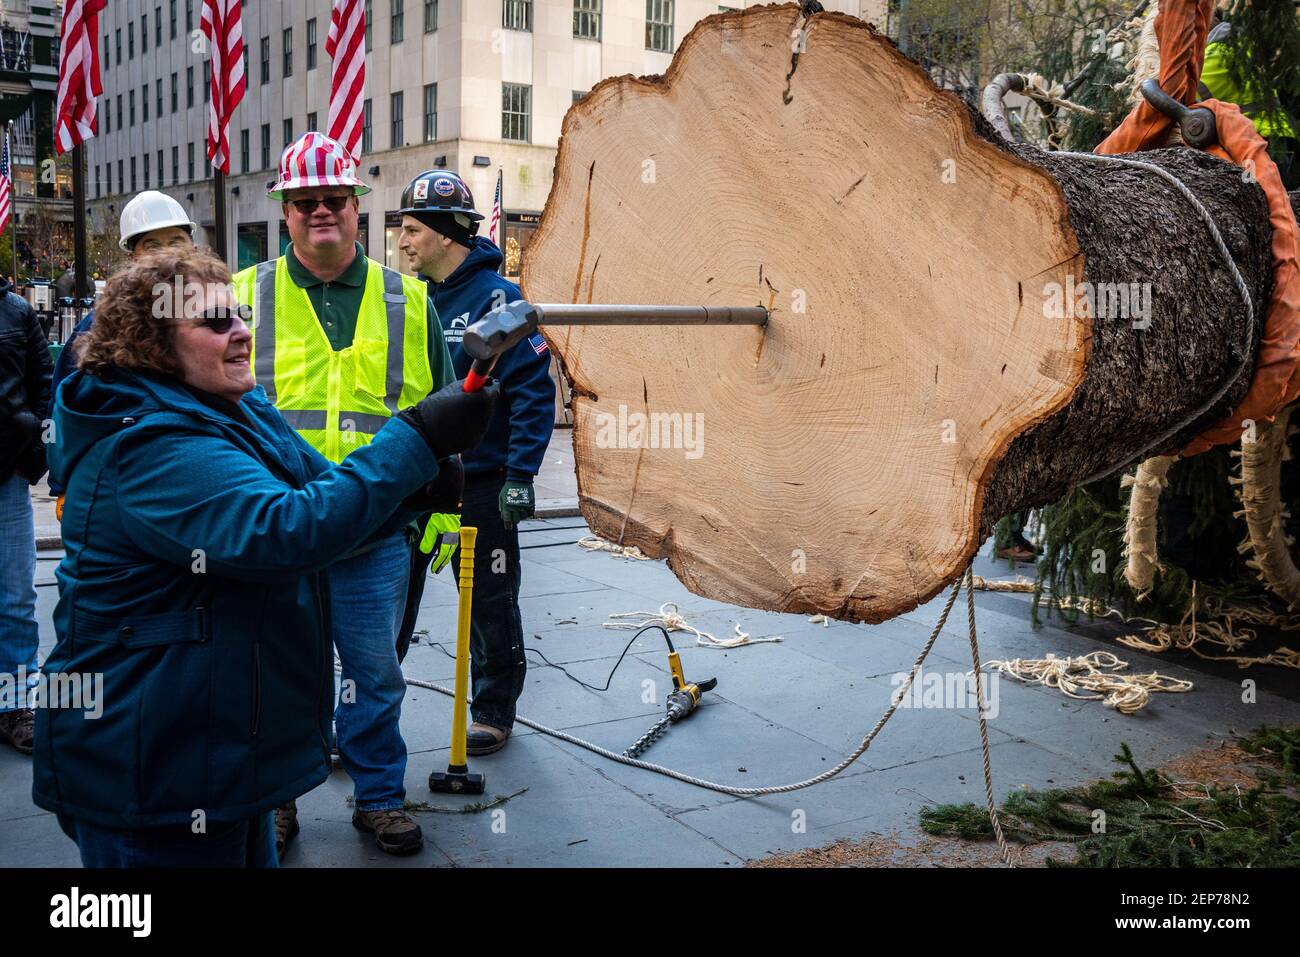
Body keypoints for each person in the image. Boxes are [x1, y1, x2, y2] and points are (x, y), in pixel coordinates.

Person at [33, 247, 497, 867]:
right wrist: (415, 437)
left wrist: (414, 488)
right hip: (154, 770)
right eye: (214, 321)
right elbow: (285, 531)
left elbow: (320, 500)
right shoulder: (146, 443)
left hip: (221, 756)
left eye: (240, 314)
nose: (242, 332)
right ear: (151, 345)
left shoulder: (234, 406)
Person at [231, 133, 457, 855]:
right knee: (272, 672)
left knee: (373, 672)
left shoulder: (409, 301)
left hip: (375, 531)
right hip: (279, 529)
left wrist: (442, 510)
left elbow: (449, 409)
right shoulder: (242, 297)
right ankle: (276, 799)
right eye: (306, 201)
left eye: (335, 198)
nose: (321, 210)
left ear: (358, 209)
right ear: (286, 212)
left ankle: (379, 796)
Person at [397, 169, 555, 756]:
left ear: (444, 235)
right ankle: (364, 711)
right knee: (394, 594)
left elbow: (535, 393)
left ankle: (493, 710)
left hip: (483, 482)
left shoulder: (501, 300)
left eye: (412, 230)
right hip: (415, 475)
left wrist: (520, 475)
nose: (403, 242)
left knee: (488, 597)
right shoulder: (407, 298)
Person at [48, 191, 197, 519]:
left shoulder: (215, 314)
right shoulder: (102, 324)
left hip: (196, 474)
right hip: (125, 477)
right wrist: (63, 483)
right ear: (133, 256)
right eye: (152, 245)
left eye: (176, 240)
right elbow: (68, 404)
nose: (167, 253)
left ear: (194, 248)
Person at [0, 273, 51, 754]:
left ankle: (13, 703)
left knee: (16, 598)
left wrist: (30, 446)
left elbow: (44, 384)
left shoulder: (16, 310)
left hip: (7, 478)